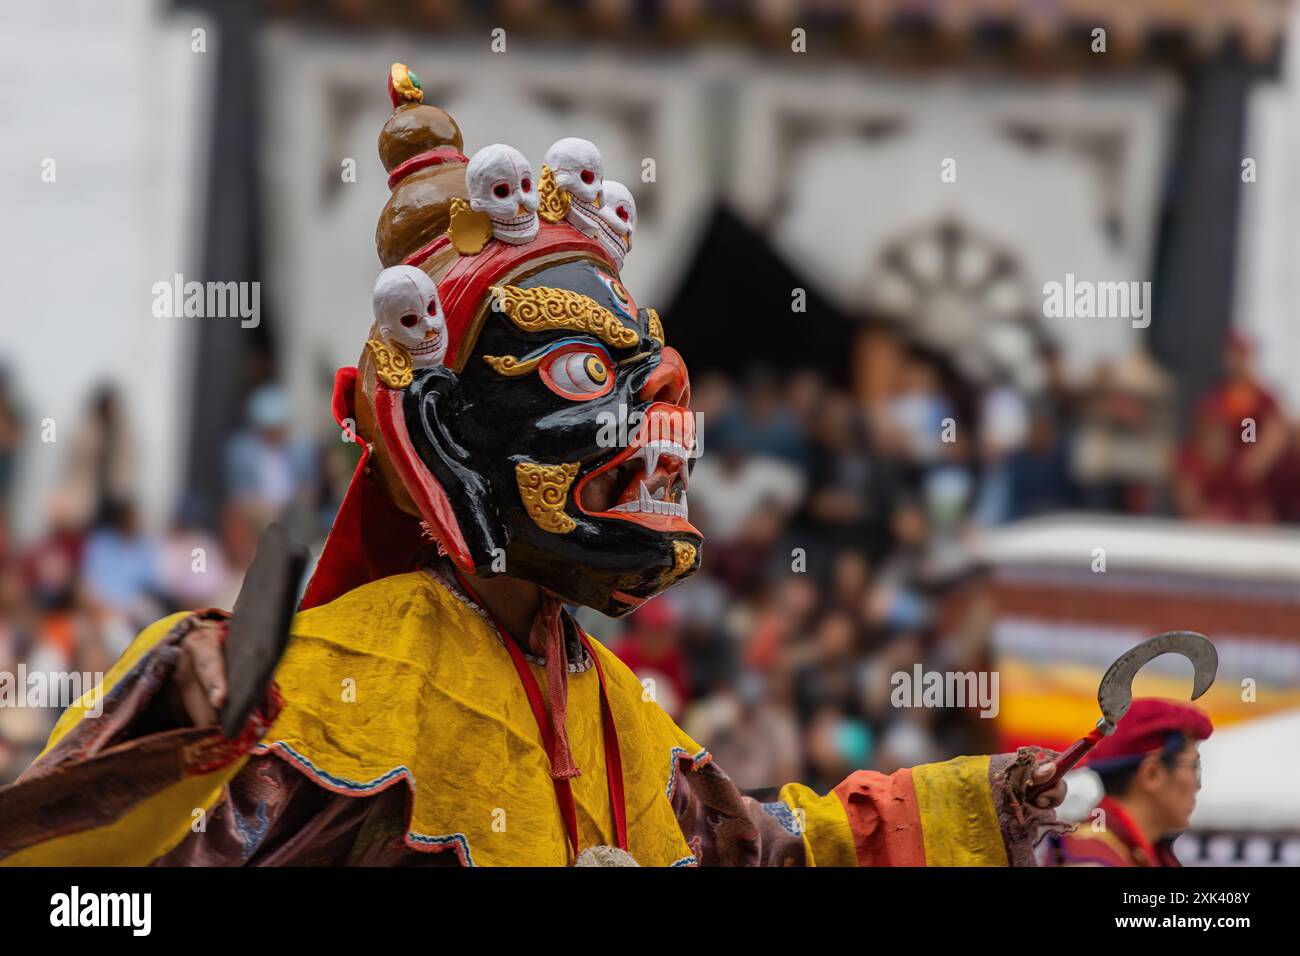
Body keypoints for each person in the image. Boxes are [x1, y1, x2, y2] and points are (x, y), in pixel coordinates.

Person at [0, 64, 1067, 868]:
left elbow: (767, 845)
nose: (662, 400)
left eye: (651, 363)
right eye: (578, 367)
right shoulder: (318, 698)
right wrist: (179, 719)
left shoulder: (613, 712)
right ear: (445, 429)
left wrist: (985, 801)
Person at [1048, 698, 1212, 867]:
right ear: (1152, 774)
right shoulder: (1092, 860)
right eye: (1194, 766)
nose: (1197, 785)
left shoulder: (1134, 852)